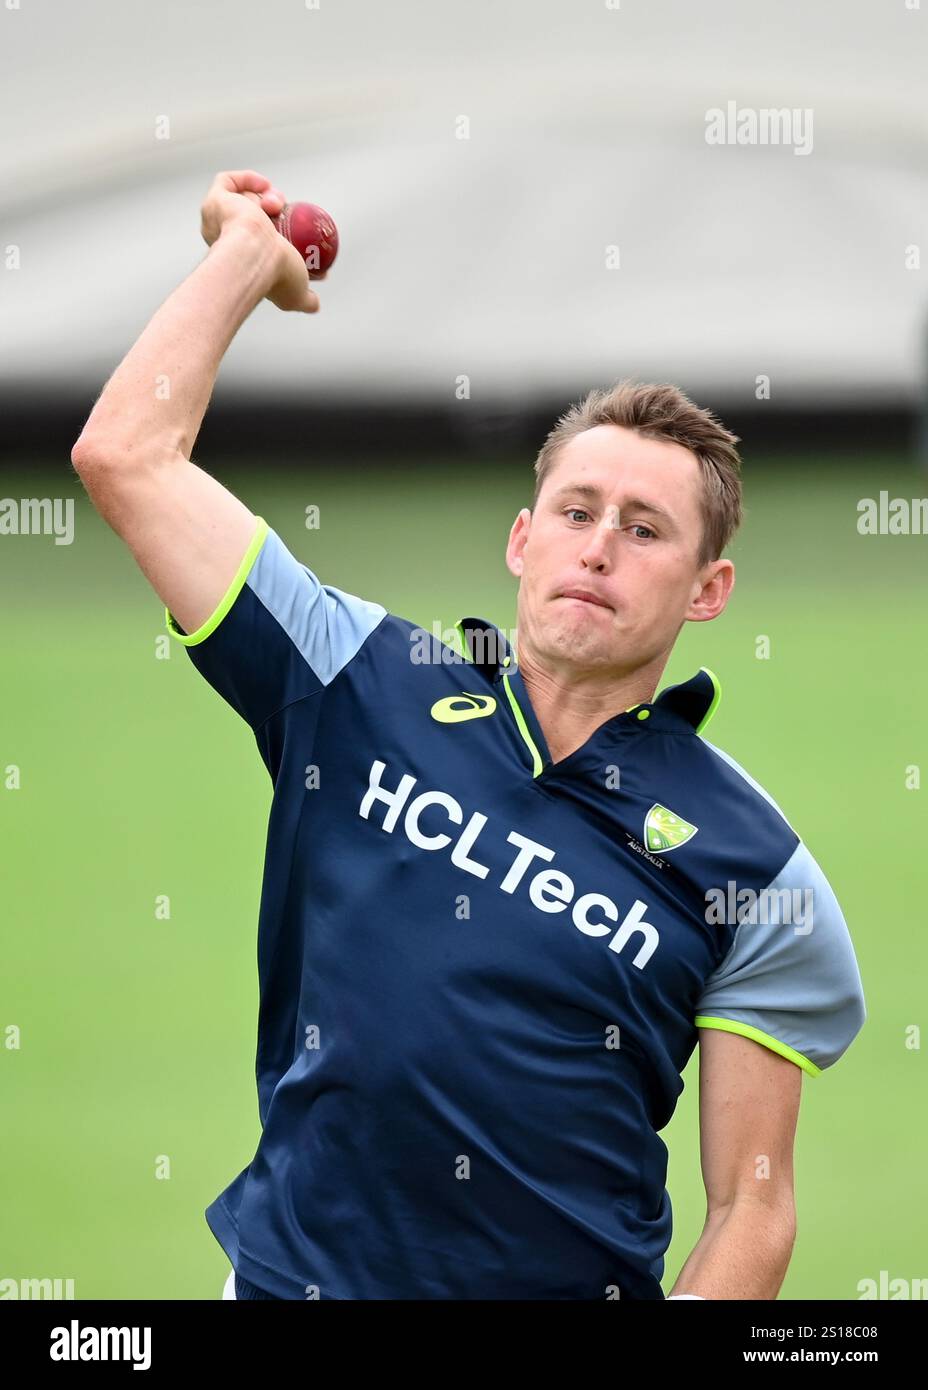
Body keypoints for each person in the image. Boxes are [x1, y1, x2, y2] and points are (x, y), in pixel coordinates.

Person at [71, 169, 866, 1302]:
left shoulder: (760, 871)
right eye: (576, 512)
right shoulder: (348, 673)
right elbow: (125, 456)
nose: (597, 547)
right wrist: (244, 259)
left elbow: (754, 1205)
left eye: (645, 530)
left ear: (708, 589)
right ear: (519, 539)